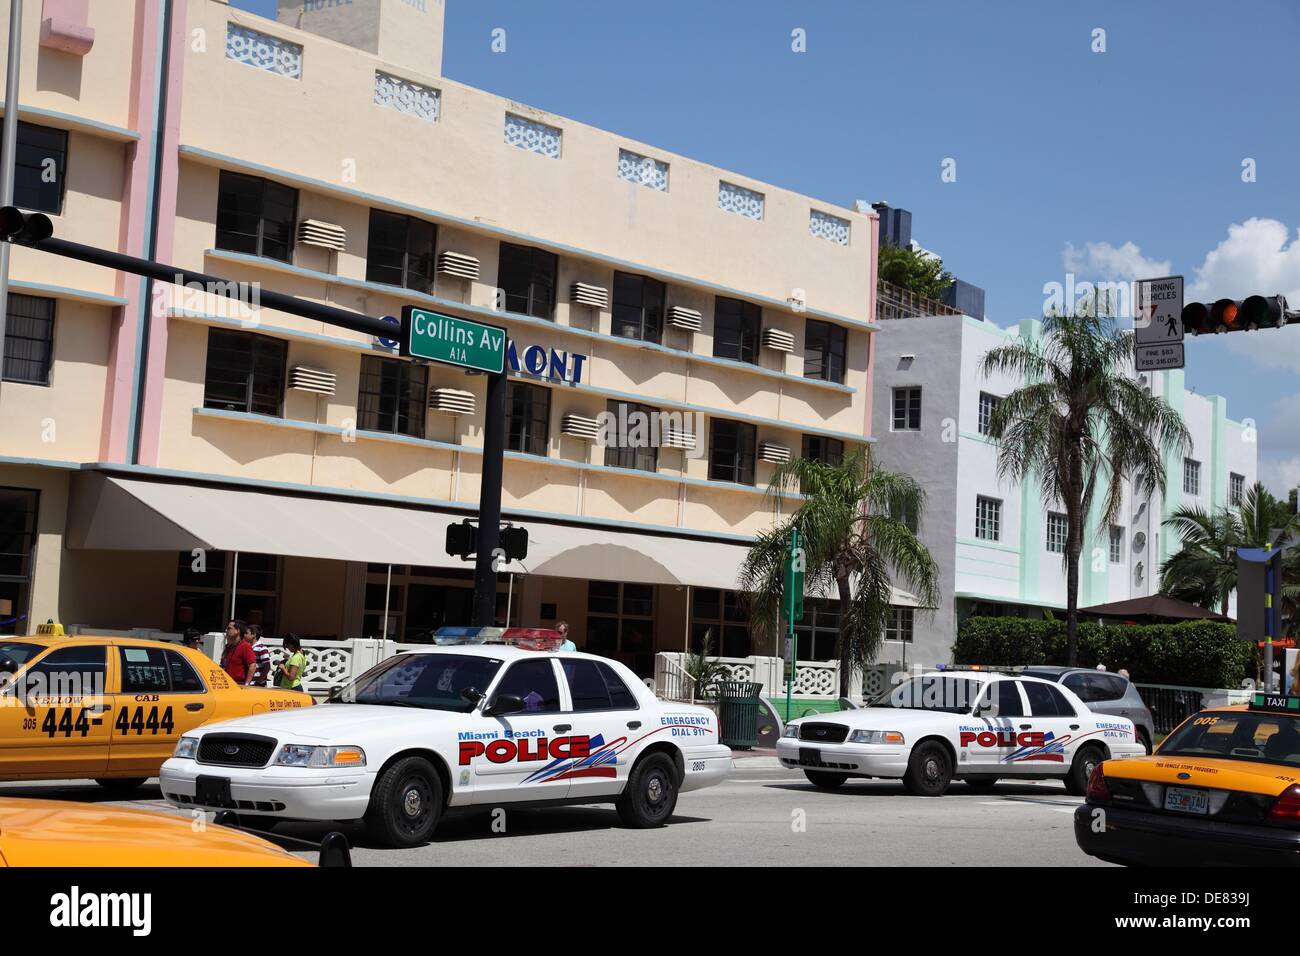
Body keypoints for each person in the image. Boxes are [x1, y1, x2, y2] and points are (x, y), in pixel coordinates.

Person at [220, 619, 256, 685]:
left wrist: (247, 684)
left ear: (237, 631)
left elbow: (252, 665)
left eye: (229, 628)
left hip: (238, 685)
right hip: (226, 684)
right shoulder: (228, 647)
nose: (226, 630)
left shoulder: (245, 646)